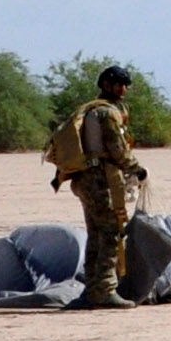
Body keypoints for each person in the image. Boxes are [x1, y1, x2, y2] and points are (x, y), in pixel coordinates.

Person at [69, 64, 146, 307]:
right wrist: (136, 169)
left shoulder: (90, 110)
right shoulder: (108, 113)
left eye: (125, 85)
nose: (122, 89)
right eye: (118, 84)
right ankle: (103, 290)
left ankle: (92, 290)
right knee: (110, 234)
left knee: (96, 234)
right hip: (100, 180)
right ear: (106, 85)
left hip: (84, 179)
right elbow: (117, 149)